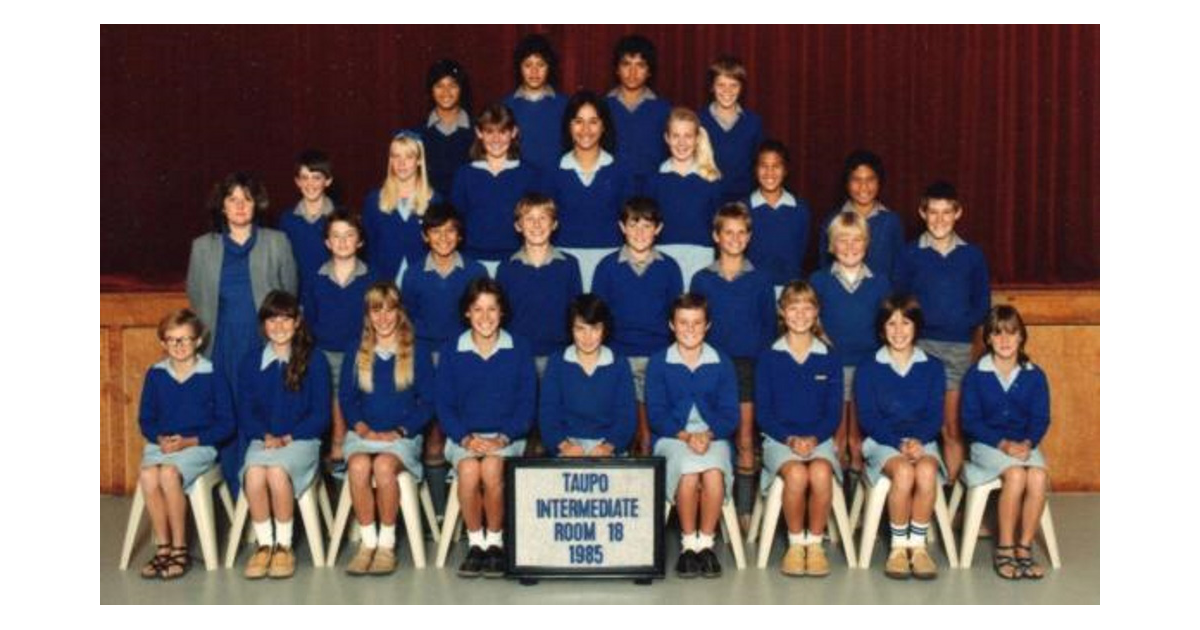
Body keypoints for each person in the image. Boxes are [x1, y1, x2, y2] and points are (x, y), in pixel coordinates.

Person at [187, 172, 296, 494]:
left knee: (261, 414)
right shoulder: (202, 247)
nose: (239, 206)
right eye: (232, 199)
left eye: (246, 199)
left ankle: (262, 496)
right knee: (228, 416)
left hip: (264, 343)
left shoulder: (277, 242)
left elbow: (289, 292)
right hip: (220, 344)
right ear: (222, 206)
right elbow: (196, 296)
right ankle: (235, 496)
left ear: (256, 204)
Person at [436, 278, 536, 577]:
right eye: (477, 309)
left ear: (502, 312)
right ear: (467, 313)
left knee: (492, 469)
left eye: (492, 309)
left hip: (507, 436)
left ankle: (495, 542)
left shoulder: (519, 348)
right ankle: (475, 543)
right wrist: (466, 438)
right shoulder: (453, 349)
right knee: (468, 471)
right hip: (464, 436)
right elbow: (444, 405)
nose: (485, 317)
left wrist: (503, 438)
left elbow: (526, 404)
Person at [336, 282, 435, 575]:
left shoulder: (417, 349)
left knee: (382, 466)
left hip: (401, 437)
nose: (383, 317)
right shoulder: (355, 349)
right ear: (368, 314)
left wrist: (402, 431)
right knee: (357, 467)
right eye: (376, 310)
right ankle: (368, 543)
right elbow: (347, 397)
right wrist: (362, 427)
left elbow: (428, 401)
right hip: (364, 434)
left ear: (399, 312)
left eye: (390, 310)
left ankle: (386, 544)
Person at [895, 181, 991, 483]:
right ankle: (917, 496)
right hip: (918, 347)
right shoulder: (910, 254)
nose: (939, 219)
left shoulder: (972, 256)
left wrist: (959, 324)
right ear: (922, 213)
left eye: (946, 212)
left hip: (957, 349)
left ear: (958, 213)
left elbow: (982, 304)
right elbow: (900, 301)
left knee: (951, 428)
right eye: (932, 212)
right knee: (916, 424)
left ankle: (949, 499)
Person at [689, 202, 775, 529]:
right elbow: (694, 327)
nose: (735, 238)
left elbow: (768, 330)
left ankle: (744, 511)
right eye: (728, 232)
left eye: (742, 233)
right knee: (708, 436)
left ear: (749, 237)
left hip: (747, 368)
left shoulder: (761, 279)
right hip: (711, 367)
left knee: (745, 440)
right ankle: (707, 510)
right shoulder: (701, 279)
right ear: (716, 236)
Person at [397, 202, 487, 514]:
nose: (444, 238)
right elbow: (407, 319)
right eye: (436, 232)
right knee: (433, 433)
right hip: (426, 356)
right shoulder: (414, 273)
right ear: (425, 237)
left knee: (463, 427)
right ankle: (436, 511)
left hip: (463, 355)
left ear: (459, 235)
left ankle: (465, 511)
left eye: (450, 231)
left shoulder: (475, 270)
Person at [235, 291, 331, 579]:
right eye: (272, 319)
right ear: (263, 324)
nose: (279, 326)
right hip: (263, 439)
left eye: (286, 319)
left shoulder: (315, 360)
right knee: (253, 473)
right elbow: (246, 411)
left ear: (298, 322)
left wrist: (289, 438)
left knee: (276, 472)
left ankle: (284, 545)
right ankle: (264, 544)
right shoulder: (251, 362)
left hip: (301, 441)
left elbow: (320, 414)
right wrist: (264, 436)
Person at [136, 309, 235, 579]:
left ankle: (180, 548)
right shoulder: (155, 375)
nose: (179, 346)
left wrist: (189, 441)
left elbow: (226, 424)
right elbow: (146, 419)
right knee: (148, 475)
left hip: (198, 445)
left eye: (185, 339)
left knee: (168, 474)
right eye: (172, 340)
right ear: (162, 343)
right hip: (163, 444)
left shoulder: (212, 374)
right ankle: (163, 547)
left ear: (198, 341)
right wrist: (160, 438)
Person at [646, 293, 738, 578]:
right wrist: (687, 436)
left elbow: (729, 414)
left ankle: (706, 544)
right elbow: (657, 415)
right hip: (673, 437)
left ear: (707, 325)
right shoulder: (659, 362)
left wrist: (708, 434)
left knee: (712, 472)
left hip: (714, 436)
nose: (690, 329)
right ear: (672, 325)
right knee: (687, 471)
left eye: (697, 323)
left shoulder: (721, 361)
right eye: (683, 323)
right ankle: (688, 545)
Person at [754, 282, 843, 577]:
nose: (800, 314)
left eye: (807, 307)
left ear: (816, 312)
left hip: (819, 439)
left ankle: (814, 544)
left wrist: (814, 438)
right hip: (780, 440)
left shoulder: (829, 356)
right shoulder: (768, 356)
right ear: (782, 312)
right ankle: (795, 544)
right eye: (793, 307)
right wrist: (790, 439)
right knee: (795, 473)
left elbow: (833, 412)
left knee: (819, 472)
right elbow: (764, 413)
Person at [855, 294, 946, 580]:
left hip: (923, 439)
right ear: (882, 329)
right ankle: (897, 547)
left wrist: (918, 441)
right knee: (904, 472)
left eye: (905, 323)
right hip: (883, 441)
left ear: (916, 327)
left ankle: (917, 546)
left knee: (928, 470)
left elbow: (934, 415)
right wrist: (898, 443)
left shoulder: (932, 367)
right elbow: (869, 417)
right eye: (891, 324)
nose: (898, 331)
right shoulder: (869, 367)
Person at [961, 305, 1051, 580]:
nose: (1005, 341)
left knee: (1037, 476)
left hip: (1024, 444)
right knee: (1014, 475)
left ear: (1022, 337)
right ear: (987, 338)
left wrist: (1028, 442)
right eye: (998, 334)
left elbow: (1041, 418)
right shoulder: (976, 375)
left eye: (1012, 334)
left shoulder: (1034, 375)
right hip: (988, 445)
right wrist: (1002, 445)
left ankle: (1024, 548)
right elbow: (971, 421)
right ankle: (1005, 547)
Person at [592, 197, 684, 455]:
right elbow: (600, 319)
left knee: (650, 432)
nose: (640, 233)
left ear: (658, 229)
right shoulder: (607, 267)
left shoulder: (669, 268)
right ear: (622, 227)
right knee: (621, 424)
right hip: (618, 354)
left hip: (657, 354)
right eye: (633, 225)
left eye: (647, 226)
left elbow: (675, 317)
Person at [809, 211, 892, 476]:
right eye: (842, 241)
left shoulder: (880, 283)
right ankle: (837, 499)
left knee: (856, 440)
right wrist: (824, 340)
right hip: (831, 365)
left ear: (867, 244)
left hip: (866, 365)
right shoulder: (819, 280)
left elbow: (888, 324)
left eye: (856, 240)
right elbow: (810, 319)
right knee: (837, 439)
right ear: (831, 246)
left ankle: (859, 500)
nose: (850, 247)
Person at [301, 209, 376, 462]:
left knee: (362, 393)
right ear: (327, 242)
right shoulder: (315, 278)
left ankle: (361, 447)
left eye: (349, 235)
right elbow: (309, 318)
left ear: (360, 241)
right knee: (332, 392)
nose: (343, 242)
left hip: (363, 350)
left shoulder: (372, 277)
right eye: (336, 236)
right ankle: (337, 444)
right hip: (326, 350)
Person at [542, 90, 636, 291]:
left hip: (611, 263)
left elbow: (632, 222)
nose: (585, 129)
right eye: (578, 121)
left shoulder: (622, 171)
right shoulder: (552, 172)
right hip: (564, 263)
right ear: (568, 126)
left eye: (593, 121)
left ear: (603, 126)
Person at [539, 294, 637, 457]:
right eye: (580, 328)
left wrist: (609, 446)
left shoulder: (619, 363)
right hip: (567, 445)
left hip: (607, 445)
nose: (587, 337)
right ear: (571, 329)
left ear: (604, 328)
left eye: (595, 328)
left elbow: (626, 417)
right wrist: (564, 445)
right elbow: (548, 413)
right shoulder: (557, 361)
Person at [495, 193, 583, 373]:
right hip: (518, 355)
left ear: (554, 224)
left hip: (558, 355)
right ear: (518, 226)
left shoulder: (569, 265)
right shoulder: (507, 267)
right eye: (529, 219)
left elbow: (576, 313)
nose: (536, 225)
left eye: (543, 218)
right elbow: (501, 315)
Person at [452, 103, 541, 276]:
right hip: (473, 259)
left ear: (513, 132)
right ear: (479, 133)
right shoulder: (465, 174)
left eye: (502, 132)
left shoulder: (529, 175)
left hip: (516, 260)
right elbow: (456, 222)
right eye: (489, 132)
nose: (496, 139)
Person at [642, 107, 723, 288]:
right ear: (667, 138)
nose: (681, 143)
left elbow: (718, 226)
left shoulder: (711, 181)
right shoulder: (654, 180)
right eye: (676, 136)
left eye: (688, 136)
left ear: (696, 139)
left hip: (701, 256)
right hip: (662, 255)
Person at [817, 150, 905, 284]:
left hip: (883, 298)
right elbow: (824, 266)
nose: (863, 187)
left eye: (870, 179)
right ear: (846, 183)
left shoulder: (891, 221)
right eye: (856, 180)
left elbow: (899, 269)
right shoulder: (832, 220)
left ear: (879, 182)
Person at [361, 131, 438, 284]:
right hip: (383, 285)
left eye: (409, 157)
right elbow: (367, 248)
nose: (401, 163)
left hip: (422, 284)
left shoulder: (435, 200)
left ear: (419, 160)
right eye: (396, 156)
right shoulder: (374, 200)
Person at [745, 140, 811, 296]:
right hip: (753, 290)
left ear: (786, 169)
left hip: (790, 293)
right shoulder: (743, 208)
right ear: (755, 169)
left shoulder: (799, 209)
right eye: (764, 166)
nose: (770, 172)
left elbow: (801, 251)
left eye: (776, 166)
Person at [605, 33, 671, 183]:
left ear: (649, 71)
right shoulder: (602, 107)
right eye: (626, 64)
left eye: (640, 65)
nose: (632, 72)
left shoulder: (663, 110)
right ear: (617, 69)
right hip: (612, 190)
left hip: (651, 193)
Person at [698, 55, 764, 204]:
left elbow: (758, 164)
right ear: (712, 87)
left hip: (742, 202)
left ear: (741, 88)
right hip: (706, 199)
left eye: (734, 85)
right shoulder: (698, 121)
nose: (727, 91)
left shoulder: (753, 123)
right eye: (721, 85)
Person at [504, 33, 568, 174]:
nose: (534, 71)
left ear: (549, 67)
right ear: (519, 67)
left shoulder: (565, 105)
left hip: (555, 183)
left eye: (540, 64)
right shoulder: (506, 106)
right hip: (518, 183)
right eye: (528, 65)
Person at [279, 149, 337, 295]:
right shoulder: (287, 220)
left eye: (316, 178)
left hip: (332, 295)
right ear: (297, 182)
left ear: (328, 181)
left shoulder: (340, 218)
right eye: (304, 178)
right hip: (298, 300)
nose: (310, 184)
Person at [420, 58, 474, 198]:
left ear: (461, 89)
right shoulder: (419, 134)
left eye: (452, 85)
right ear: (430, 90)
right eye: (439, 85)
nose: (446, 92)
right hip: (432, 214)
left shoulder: (477, 131)